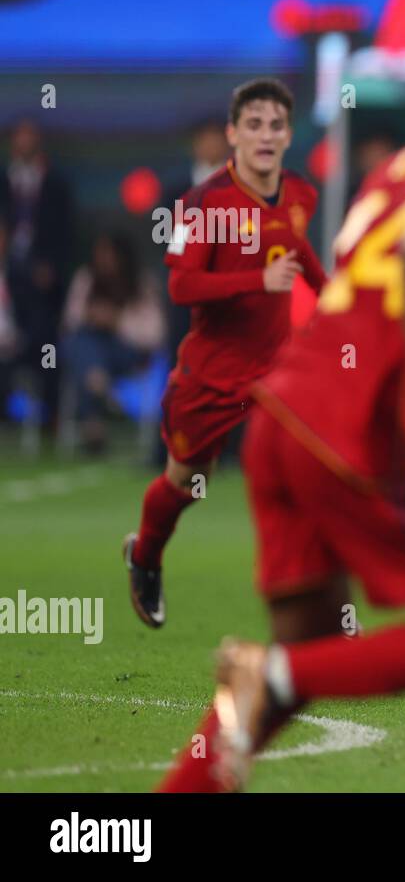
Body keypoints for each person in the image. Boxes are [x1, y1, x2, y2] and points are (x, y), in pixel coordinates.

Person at [156, 15, 405, 791]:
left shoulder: (401, 166)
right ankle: (270, 671)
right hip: (349, 433)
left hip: (280, 416)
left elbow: (374, 305)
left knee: (302, 656)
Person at [122, 79, 325, 629]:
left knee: (311, 466)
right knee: (186, 482)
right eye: (253, 124)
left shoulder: (301, 194)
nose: (265, 135)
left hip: (275, 374)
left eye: (276, 125)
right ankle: (145, 555)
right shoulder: (204, 203)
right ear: (233, 134)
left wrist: (333, 299)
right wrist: (256, 279)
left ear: (288, 135)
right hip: (210, 375)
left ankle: (307, 600)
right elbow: (182, 288)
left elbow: (299, 248)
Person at [1, 118, 75, 434]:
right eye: (20, 137)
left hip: (40, 283)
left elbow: (67, 234)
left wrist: (51, 268)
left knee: (45, 343)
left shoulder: (56, 184)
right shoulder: (3, 181)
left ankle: (50, 414)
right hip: (7, 277)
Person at [61, 232, 165, 452]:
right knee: (82, 341)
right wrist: (93, 316)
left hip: (127, 352)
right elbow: (70, 322)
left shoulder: (141, 282)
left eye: (108, 253)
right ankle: (98, 391)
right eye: (99, 253)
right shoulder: (86, 278)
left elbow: (154, 335)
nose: (102, 259)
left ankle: (94, 412)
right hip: (89, 346)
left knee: (85, 354)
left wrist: (117, 321)